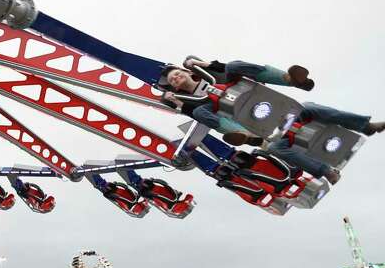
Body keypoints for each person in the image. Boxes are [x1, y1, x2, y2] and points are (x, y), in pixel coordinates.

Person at [158, 58, 385, 183]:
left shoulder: (214, 74)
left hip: (276, 108)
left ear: (186, 72)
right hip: (261, 126)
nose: (177, 78)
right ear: (175, 87)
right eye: (173, 80)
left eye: (177, 73)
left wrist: (202, 63)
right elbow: (192, 112)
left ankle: (292, 80)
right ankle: (325, 170)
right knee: (277, 148)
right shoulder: (192, 101)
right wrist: (174, 101)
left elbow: (223, 68)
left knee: (311, 108)